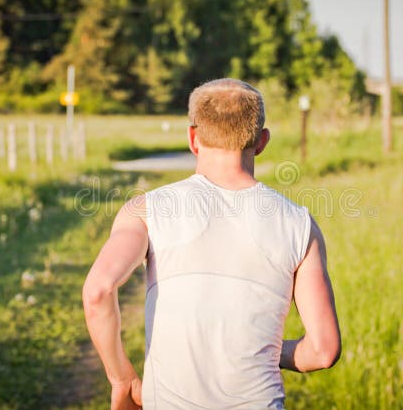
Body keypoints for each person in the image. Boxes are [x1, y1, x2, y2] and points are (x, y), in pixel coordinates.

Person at [82, 78, 341, 409]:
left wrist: (122, 378)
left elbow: (98, 291)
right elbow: (323, 350)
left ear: (193, 138)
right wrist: (273, 351)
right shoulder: (300, 226)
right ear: (262, 142)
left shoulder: (146, 211)